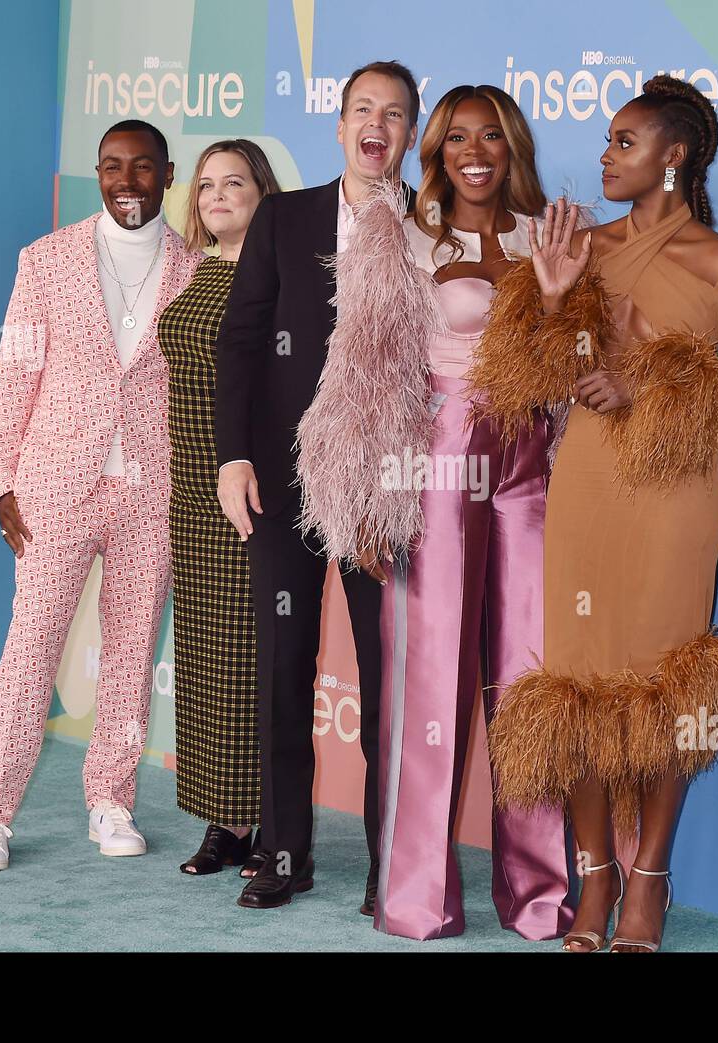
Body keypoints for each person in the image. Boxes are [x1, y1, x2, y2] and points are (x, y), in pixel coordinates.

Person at [474, 75, 718, 951]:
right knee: (581, 687)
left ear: (672, 155)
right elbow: (550, 373)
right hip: (591, 485)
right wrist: (562, 296)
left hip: (678, 494)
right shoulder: (584, 248)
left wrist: (644, 375)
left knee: (665, 685)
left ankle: (651, 878)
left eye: (625, 141)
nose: (606, 155)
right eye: (608, 141)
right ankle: (594, 874)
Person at [296, 85, 573, 941]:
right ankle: (416, 894)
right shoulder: (399, 238)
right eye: (458, 137)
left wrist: (560, 298)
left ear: (513, 146)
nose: (476, 151)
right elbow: (367, 378)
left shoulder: (547, 238)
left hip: (531, 465)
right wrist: (375, 503)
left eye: (493, 135)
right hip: (438, 462)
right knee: (430, 683)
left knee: (531, 679)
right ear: (436, 150)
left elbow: (569, 374)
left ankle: (540, 896)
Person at [0, 120, 202, 871]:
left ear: (169, 173)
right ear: (96, 175)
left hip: (152, 493)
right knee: (31, 647)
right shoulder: (47, 259)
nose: (125, 181)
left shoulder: (197, 271)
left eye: (140, 167)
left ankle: (111, 799)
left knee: (131, 654)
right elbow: (15, 374)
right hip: (55, 485)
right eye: (110, 167)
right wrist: (0, 477)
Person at [214, 61, 420, 912]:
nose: (378, 123)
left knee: (387, 680)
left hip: (387, 492)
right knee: (285, 665)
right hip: (283, 482)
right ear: (339, 126)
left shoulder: (429, 231)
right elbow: (241, 340)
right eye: (362, 109)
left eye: (397, 113)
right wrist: (233, 456)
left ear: (410, 134)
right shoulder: (285, 217)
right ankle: (285, 851)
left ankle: (393, 865)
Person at [160, 140, 281, 877]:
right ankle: (224, 819)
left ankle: (264, 819)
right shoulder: (198, 269)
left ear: (264, 194)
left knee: (250, 658)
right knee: (207, 657)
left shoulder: (276, 282)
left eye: (235, 182)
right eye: (206, 185)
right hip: (190, 493)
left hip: (249, 491)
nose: (218, 194)